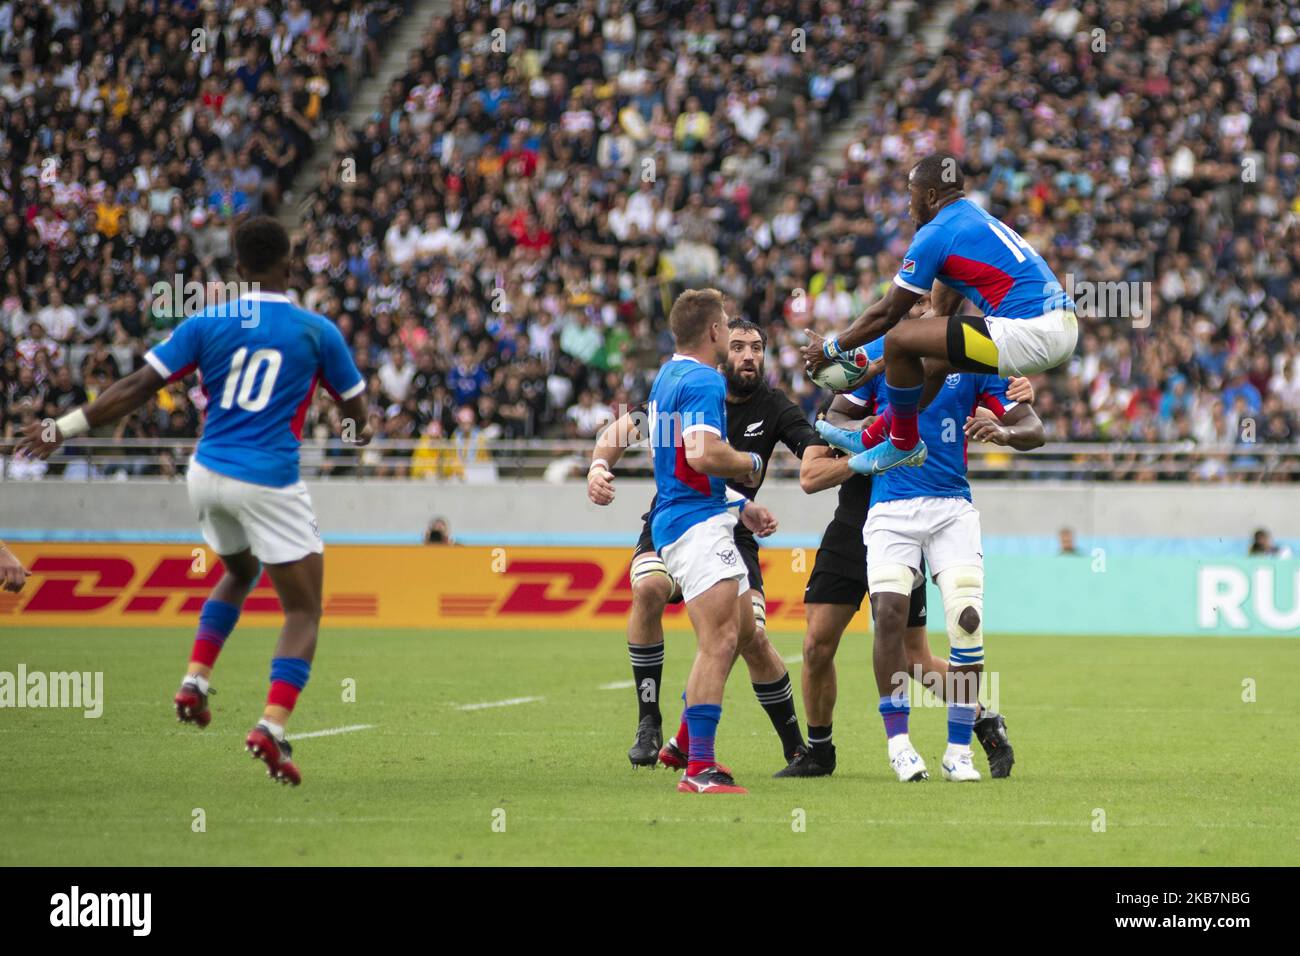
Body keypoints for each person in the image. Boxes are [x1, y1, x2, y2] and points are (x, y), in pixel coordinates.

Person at [17, 217, 369, 786]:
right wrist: (360, 432)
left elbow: (135, 387)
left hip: (205, 472)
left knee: (240, 569)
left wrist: (62, 427)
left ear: (237, 269)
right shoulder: (315, 330)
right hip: (269, 479)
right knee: (303, 611)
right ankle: (272, 727)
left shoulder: (206, 320)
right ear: (291, 264)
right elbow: (356, 407)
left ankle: (196, 680)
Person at [589, 317, 841, 776]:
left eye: (758, 347)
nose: (749, 355)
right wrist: (598, 466)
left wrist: (843, 442)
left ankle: (784, 750)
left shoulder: (773, 405)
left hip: (733, 531)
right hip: (678, 518)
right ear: (721, 346)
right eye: (739, 345)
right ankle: (650, 722)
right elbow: (621, 431)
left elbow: (810, 447)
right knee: (649, 591)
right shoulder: (690, 388)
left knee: (751, 638)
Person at [790, 355, 1034, 778]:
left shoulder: (955, 366)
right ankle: (820, 750)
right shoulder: (857, 384)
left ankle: (974, 720)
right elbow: (810, 476)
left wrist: (1008, 405)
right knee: (815, 644)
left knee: (917, 653)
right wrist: (868, 450)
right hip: (855, 524)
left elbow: (977, 405)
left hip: (922, 512)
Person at [802, 152, 1077, 476]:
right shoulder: (969, 220)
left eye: (911, 193)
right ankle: (880, 437)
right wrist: (875, 368)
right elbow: (937, 322)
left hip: (1033, 329)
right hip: (1057, 326)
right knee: (935, 362)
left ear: (930, 196)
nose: (908, 204)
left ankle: (901, 442)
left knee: (899, 336)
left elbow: (888, 314)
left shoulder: (936, 234)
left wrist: (832, 349)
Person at [639, 289, 778, 794]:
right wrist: (750, 463)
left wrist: (740, 505)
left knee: (741, 632)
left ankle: (679, 742)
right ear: (715, 332)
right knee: (718, 641)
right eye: (725, 327)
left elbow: (680, 457)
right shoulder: (701, 379)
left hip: (693, 515)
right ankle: (700, 769)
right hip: (694, 524)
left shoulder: (667, 375)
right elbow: (700, 454)